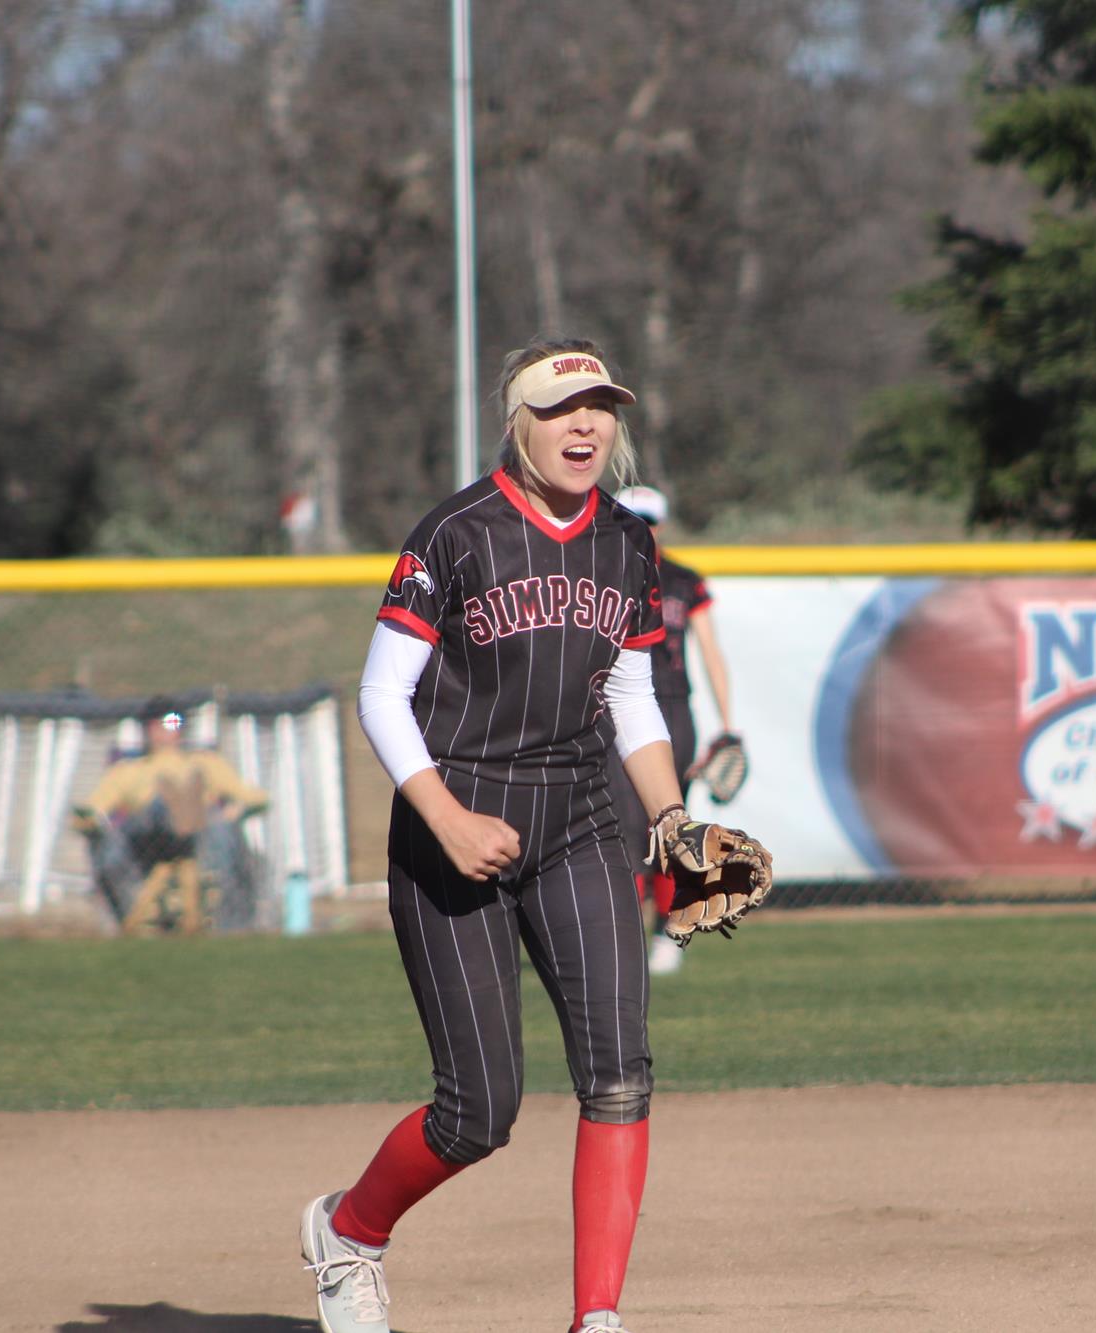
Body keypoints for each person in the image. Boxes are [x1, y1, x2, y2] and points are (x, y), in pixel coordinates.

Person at [301, 337, 689, 1333]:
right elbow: (382, 694)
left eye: (600, 406)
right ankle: (348, 1232)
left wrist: (674, 818)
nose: (587, 425)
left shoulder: (626, 544)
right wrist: (445, 815)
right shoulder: (456, 534)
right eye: (563, 408)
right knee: (478, 1110)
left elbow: (632, 693)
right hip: (455, 818)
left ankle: (596, 1318)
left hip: (578, 817)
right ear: (518, 422)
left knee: (617, 1070)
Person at [606, 484, 737, 976]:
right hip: (615, 708)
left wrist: (727, 725)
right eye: (630, 519)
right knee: (619, 825)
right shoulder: (598, 571)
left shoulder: (681, 579)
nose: (641, 529)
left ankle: (668, 931)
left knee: (669, 824)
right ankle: (624, 936)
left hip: (673, 708)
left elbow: (711, 652)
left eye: (648, 520)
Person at [74, 696, 267, 933]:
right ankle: (173, 807)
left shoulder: (205, 762)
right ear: (145, 731)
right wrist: (88, 820)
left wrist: (236, 809)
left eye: (171, 723)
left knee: (222, 827)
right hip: (146, 837)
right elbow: (95, 808)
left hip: (201, 833)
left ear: (181, 727)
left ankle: (227, 923)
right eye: (155, 726)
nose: (163, 731)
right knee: (128, 827)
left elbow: (250, 796)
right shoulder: (129, 770)